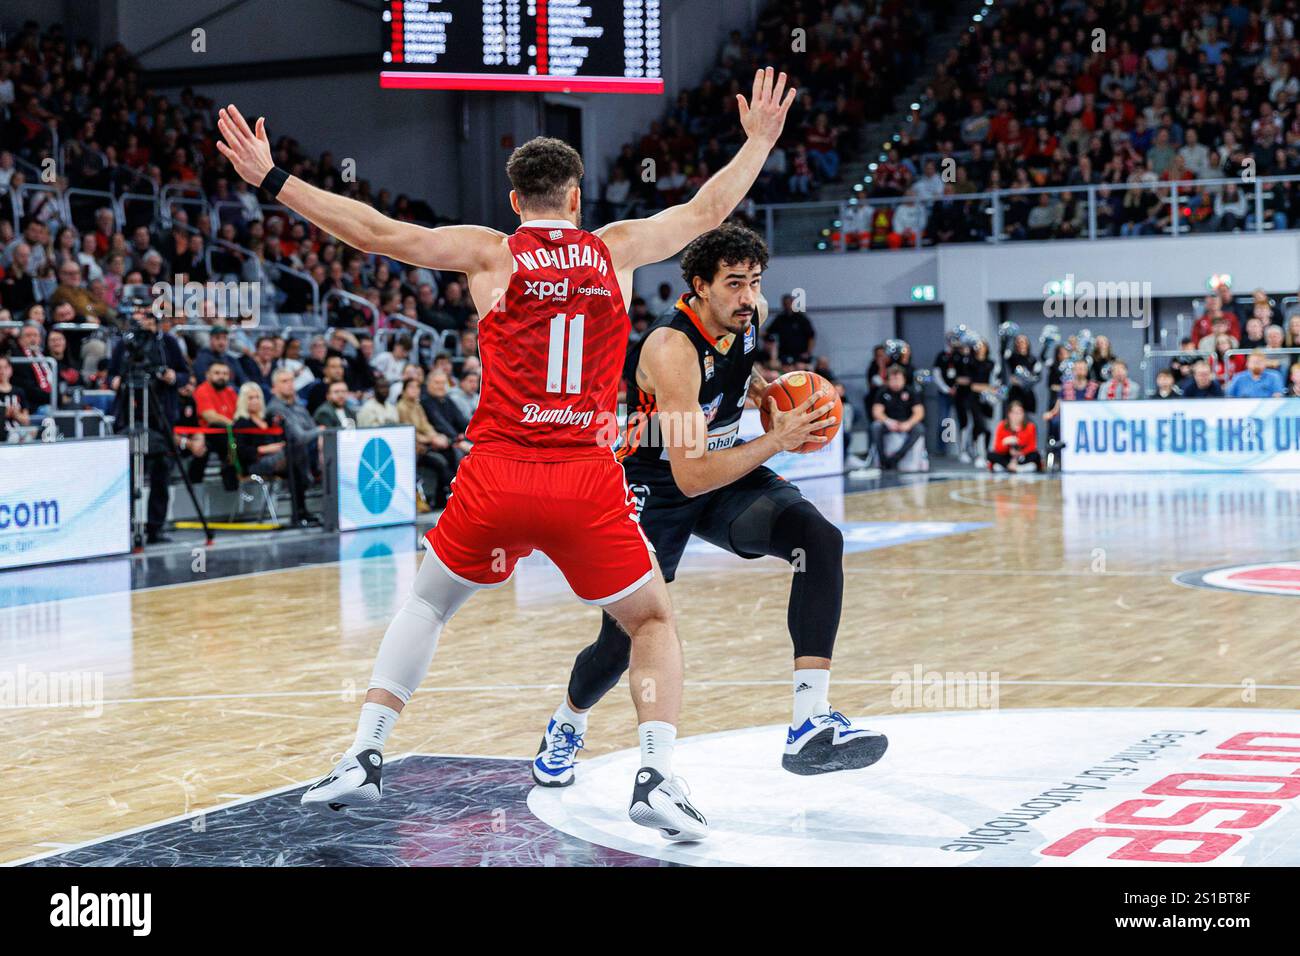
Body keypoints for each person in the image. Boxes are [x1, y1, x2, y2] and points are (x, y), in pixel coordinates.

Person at [218, 66, 797, 839]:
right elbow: (710, 207)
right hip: (586, 480)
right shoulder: (616, 250)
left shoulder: (490, 254)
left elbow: (374, 232)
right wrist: (757, 140)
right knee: (651, 619)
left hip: (496, 473)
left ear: (517, 201)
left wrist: (274, 177)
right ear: (578, 198)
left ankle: (366, 753)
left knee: (428, 602)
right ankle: (657, 773)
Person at [534, 224, 884, 789]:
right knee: (622, 641)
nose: (748, 296)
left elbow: (735, 373)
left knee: (819, 541)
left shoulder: (748, 317)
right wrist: (777, 440)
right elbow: (690, 476)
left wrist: (766, 392)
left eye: (754, 282)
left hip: (723, 470)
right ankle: (568, 722)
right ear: (699, 286)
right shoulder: (670, 349)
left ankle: (808, 722)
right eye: (733, 284)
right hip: (657, 484)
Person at [230, 381, 311, 520]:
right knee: (294, 458)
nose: (255, 401)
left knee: (295, 460)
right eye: (250, 398)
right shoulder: (241, 423)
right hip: (254, 462)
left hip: (276, 457)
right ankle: (300, 509)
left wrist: (278, 444)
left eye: (257, 397)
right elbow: (242, 452)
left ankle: (301, 511)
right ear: (243, 401)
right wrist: (265, 449)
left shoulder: (267, 420)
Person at [188, 361, 238, 483]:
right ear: (207, 375)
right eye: (217, 373)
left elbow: (239, 414)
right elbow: (210, 417)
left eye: (225, 373)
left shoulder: (230, 392)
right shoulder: (202, 390)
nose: (221, 376)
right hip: (207, 435)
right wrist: (233, 425)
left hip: (227, 434)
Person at [870, 364, 925, 469]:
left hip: (906, 421)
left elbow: (919, 412)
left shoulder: (911, 391)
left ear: (904, 379)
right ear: (888, 380)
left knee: (919, 428)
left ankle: (897, 457)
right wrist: (887, 421)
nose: (896, 382)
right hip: (889, 422)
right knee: (875, 426)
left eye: (898, 379)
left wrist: (909, 423)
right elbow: (877, 411)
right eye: (893, 379)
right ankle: (883, 459)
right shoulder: (882, 392)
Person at [988, 401, 1041, 472]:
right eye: (1014, 413)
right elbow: (997, 448)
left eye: (1019, 413)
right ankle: (1010, 466)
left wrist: (1020, 452)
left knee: (1035, 455)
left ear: (1023, 414)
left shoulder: (1030, 426)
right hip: (1007, 456)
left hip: (1022, 456)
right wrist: (1005, 442)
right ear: (1009, 414)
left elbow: (1032, 447)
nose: (1016, 416)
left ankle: (1015, 467)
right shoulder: (1002, 426)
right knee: (991, 454)